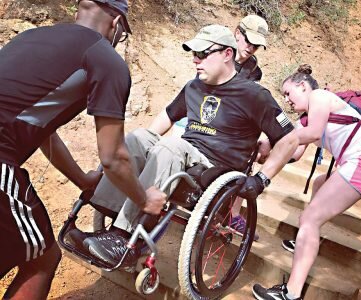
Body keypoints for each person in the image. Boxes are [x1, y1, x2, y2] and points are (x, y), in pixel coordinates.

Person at [69, 24, 298, 266]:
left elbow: (289, 138)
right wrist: (141, 146)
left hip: (215, 168)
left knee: (170, 147)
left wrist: (262, 179)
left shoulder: (254, 94)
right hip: (184, 156)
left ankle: (124, 239)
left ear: (227, 54)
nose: (195, 60)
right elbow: (167, 116)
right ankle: (110, 219)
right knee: (137, 138)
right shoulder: (194, 86)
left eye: (202, 54)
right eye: (193, 54)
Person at [0, 1, 166, 299]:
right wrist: (144, 199)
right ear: (116, 23)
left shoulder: (31, 37)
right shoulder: (105, 59)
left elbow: (41, 130)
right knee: (42, 259)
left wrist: (82, 180)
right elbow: (113, 157)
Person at [252, 64, 361, 300]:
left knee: (309, 218)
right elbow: (295, 153)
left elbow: (312, 134)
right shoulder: (306, 119)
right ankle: (305, 241)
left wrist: (276, 145)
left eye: (288, 92)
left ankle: (291, 293)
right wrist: (265, 150)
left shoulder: (320, 96)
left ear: (303, 85)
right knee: (319, 183)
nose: (286, 99)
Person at [172, 15, 270, 240]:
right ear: (237, 33)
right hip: (197, 115)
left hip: (228, 123)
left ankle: (230, 214)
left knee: (244, 157)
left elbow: (251, 105)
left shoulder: (254, 71)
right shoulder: (215, 48)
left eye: (257, 45)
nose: (251, 48)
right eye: (248, 41)